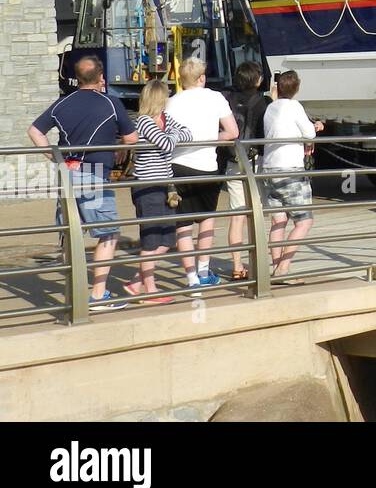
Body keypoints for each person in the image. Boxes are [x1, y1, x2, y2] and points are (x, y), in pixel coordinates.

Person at [27, 56, 138, 310]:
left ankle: (74, 292)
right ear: (101, 77)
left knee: (70, 233)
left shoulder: (62, 103)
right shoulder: (110, 102)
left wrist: (52, 155)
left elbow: (34, 130)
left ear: (78, 78)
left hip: (67, 173)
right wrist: (119, 146)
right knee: (109, 233)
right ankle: (98, 295)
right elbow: (131, 137)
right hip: (94, 174)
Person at [164, 57, 239, 293]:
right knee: (207, 218)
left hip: (177, 165)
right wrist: (210, 140)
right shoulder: (215, 97)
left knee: (183, 223)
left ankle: (191, 278)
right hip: (206, 165)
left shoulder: (171, 102)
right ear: (202, 78)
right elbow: (232, 131)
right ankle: (204, 271)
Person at [125, 79, 191, 304]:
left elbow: (187, 133)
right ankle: (149, 290)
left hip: (166, 187)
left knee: (167, 239)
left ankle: (135, 283)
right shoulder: (143, 121)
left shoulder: (165, 118)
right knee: (151, 240)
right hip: (148, 187)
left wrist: (172, 135)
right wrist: (172, 136)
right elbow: (167, 144)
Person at [261, 71, 321, 280]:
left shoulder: (270, 107)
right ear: (297, 88)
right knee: (304, 221)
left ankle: (276, 268)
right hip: (289, 168)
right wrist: (316, 126)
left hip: (268, 168)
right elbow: (309, 134)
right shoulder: (295, 106)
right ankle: (284, 268)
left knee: (278, 220)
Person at [221, 61, 272, 283]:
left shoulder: (227, 99)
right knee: (256, 215)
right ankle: (258, 263)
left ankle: (236, 266)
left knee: (237, 216)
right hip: (256, 161)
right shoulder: (265, 102)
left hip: (234, 161)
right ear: (258, 79)